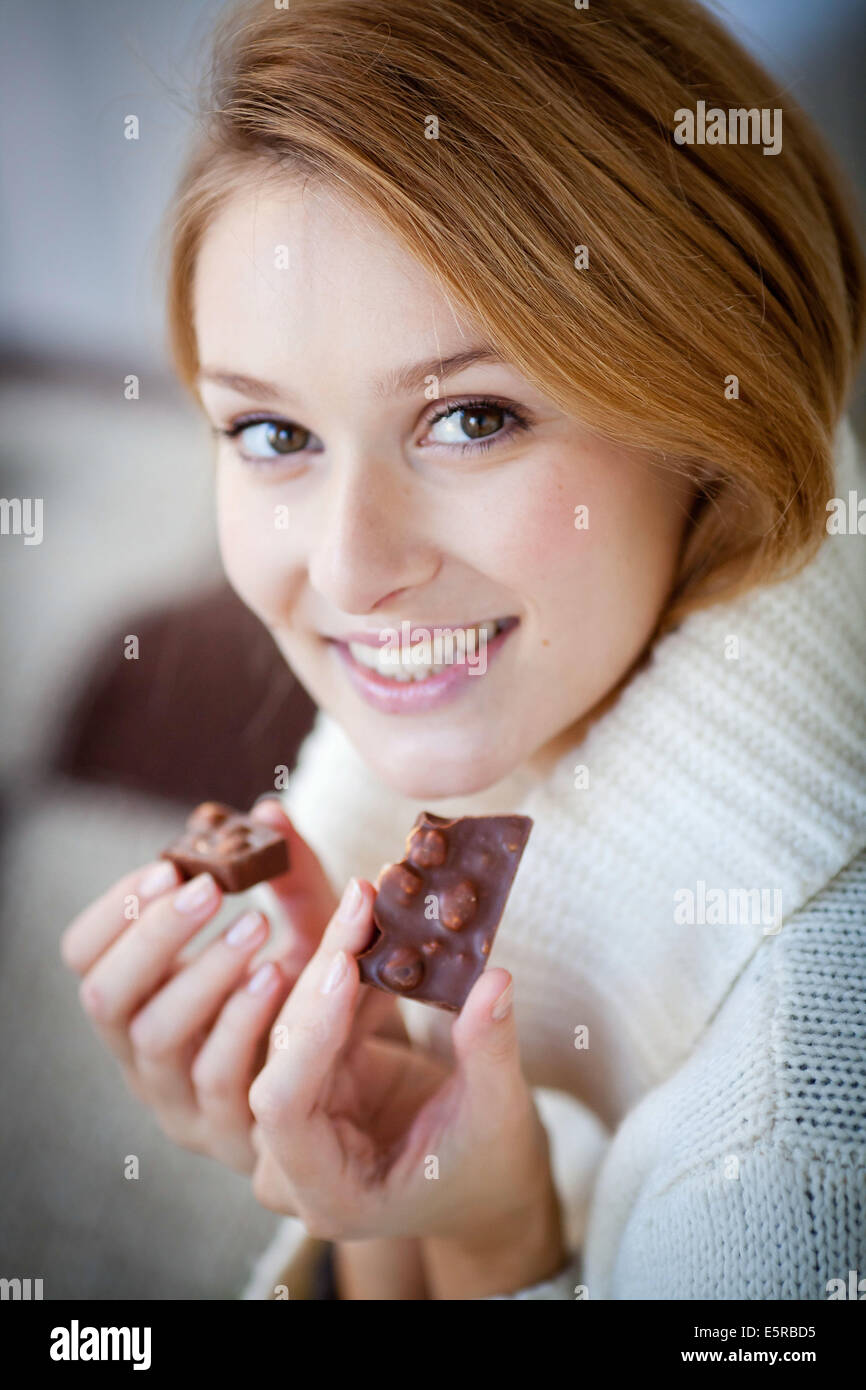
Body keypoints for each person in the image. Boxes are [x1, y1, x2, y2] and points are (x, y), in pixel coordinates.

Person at [61, 0, 866, 1299]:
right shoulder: (449, 834)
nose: (346, 566)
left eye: (471, 416)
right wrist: (436, 1211)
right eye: (270, 434)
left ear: (708, 416)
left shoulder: (796, 1152)